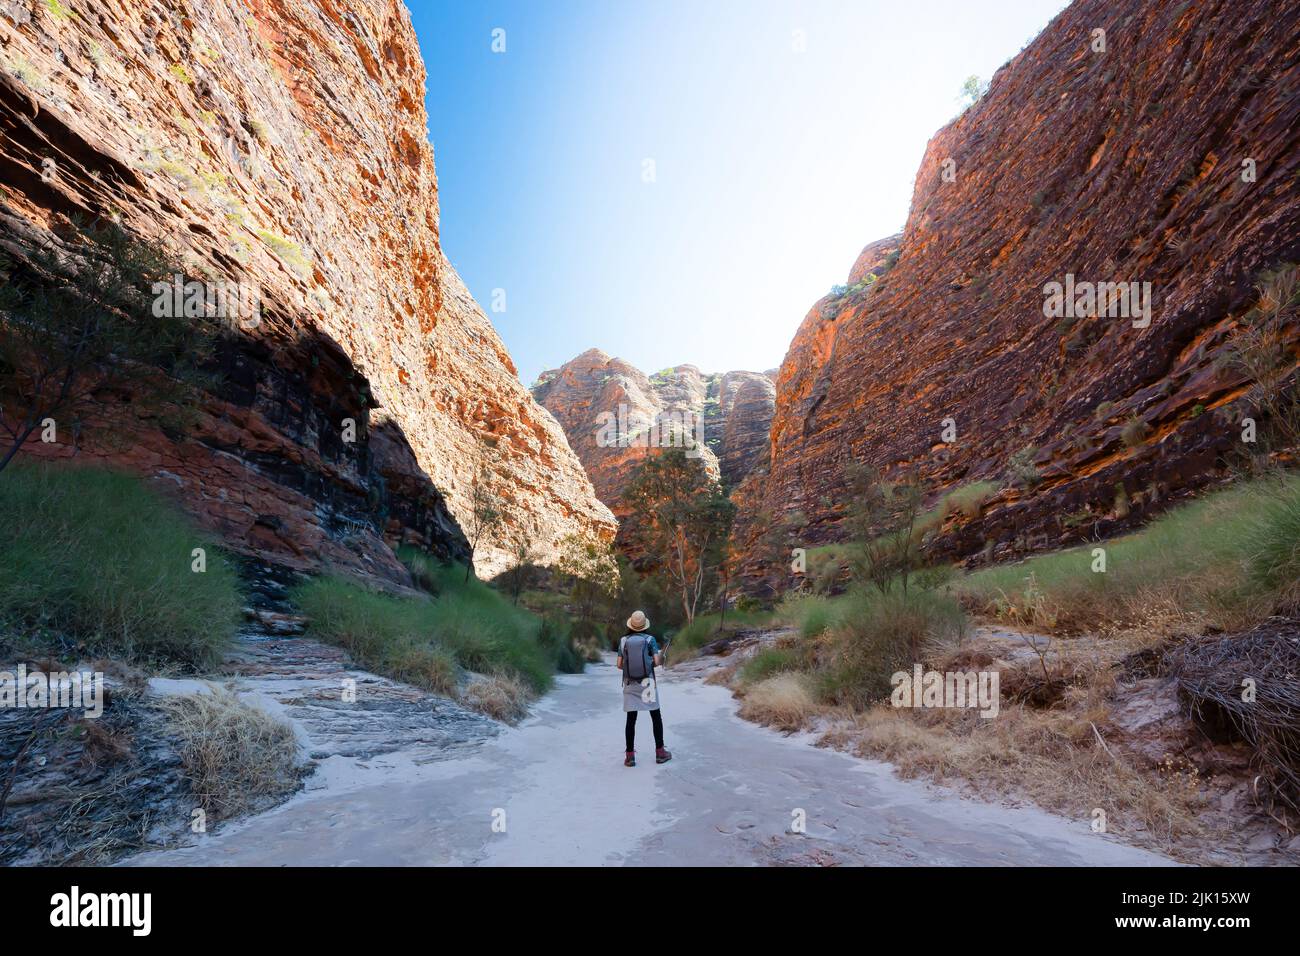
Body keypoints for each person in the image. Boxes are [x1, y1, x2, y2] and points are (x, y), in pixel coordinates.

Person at [616, 610, 672, 767]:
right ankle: (660, 753)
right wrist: (653, 662)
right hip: (647, 683)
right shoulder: (650, 639)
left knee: (631, 719)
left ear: (631, 625)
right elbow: (657, 662)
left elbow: (619, 665)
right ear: (644, 625)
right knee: (655, 716)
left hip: (630, 683)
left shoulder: (623, 641)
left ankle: (629, 757)